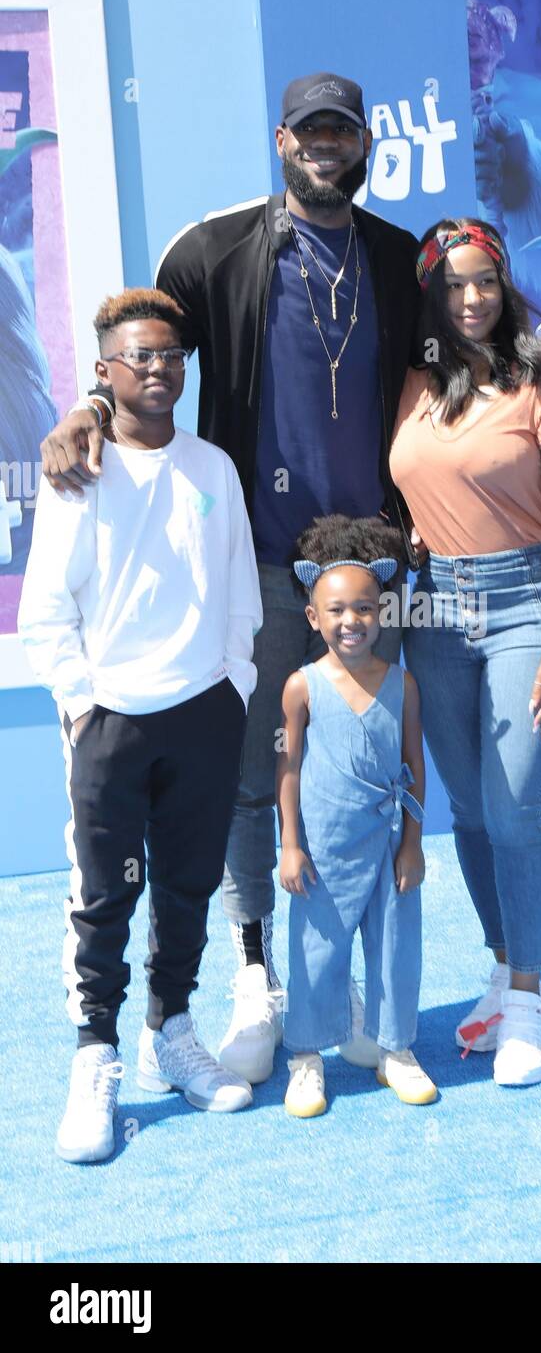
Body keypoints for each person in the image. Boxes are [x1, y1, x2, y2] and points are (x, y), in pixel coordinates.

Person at [37, 72, 541, 1087]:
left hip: (389, 574)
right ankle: (258, 977)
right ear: (279, 139)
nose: (324, 147)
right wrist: (83, 406)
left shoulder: (389, 257)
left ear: (364, 143)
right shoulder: (212, 250)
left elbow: (482, 326)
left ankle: (409, 990)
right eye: (308, 131)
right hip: (270, 569)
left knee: (394, 777)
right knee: (255, 778)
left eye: (342, 132)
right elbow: (143, 345)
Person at [18, 290, 262, 1163]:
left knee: (189, 885)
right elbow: (46, 610)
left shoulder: (213, 468)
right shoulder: (78, 468)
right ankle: (96, 1056)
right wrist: (85, 710)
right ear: (105, 371)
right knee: (105, 898)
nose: (159, 370)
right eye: (141, 357)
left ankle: (173, 1030)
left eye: (171, 356)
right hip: (111, 723)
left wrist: (233, 684)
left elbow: (238, 589)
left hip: (203, 711)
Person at [390, 219, 541, 1087]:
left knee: (515, 815)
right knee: (469, 813)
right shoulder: (414, 379)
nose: (472, 299)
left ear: (505, 283)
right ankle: (504, 961)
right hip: (431, 612)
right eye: (455, 284)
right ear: (432, 291)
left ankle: (529, 997)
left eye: (487, 281)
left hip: (524, 605)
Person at [276, 515, 433, 1118]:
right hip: (324, 850)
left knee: (396, 944)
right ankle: (307, 1056)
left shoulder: (404, 684)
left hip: (390, 844)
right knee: (317, 950)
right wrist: (290, 845)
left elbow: (414, 767)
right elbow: (286, 769)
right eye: (337, 610)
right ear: (314, 617)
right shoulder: (301, 687)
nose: (352, 621)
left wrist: (413, 843)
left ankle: (396, 1048)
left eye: (365, 609)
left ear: (383, 612)